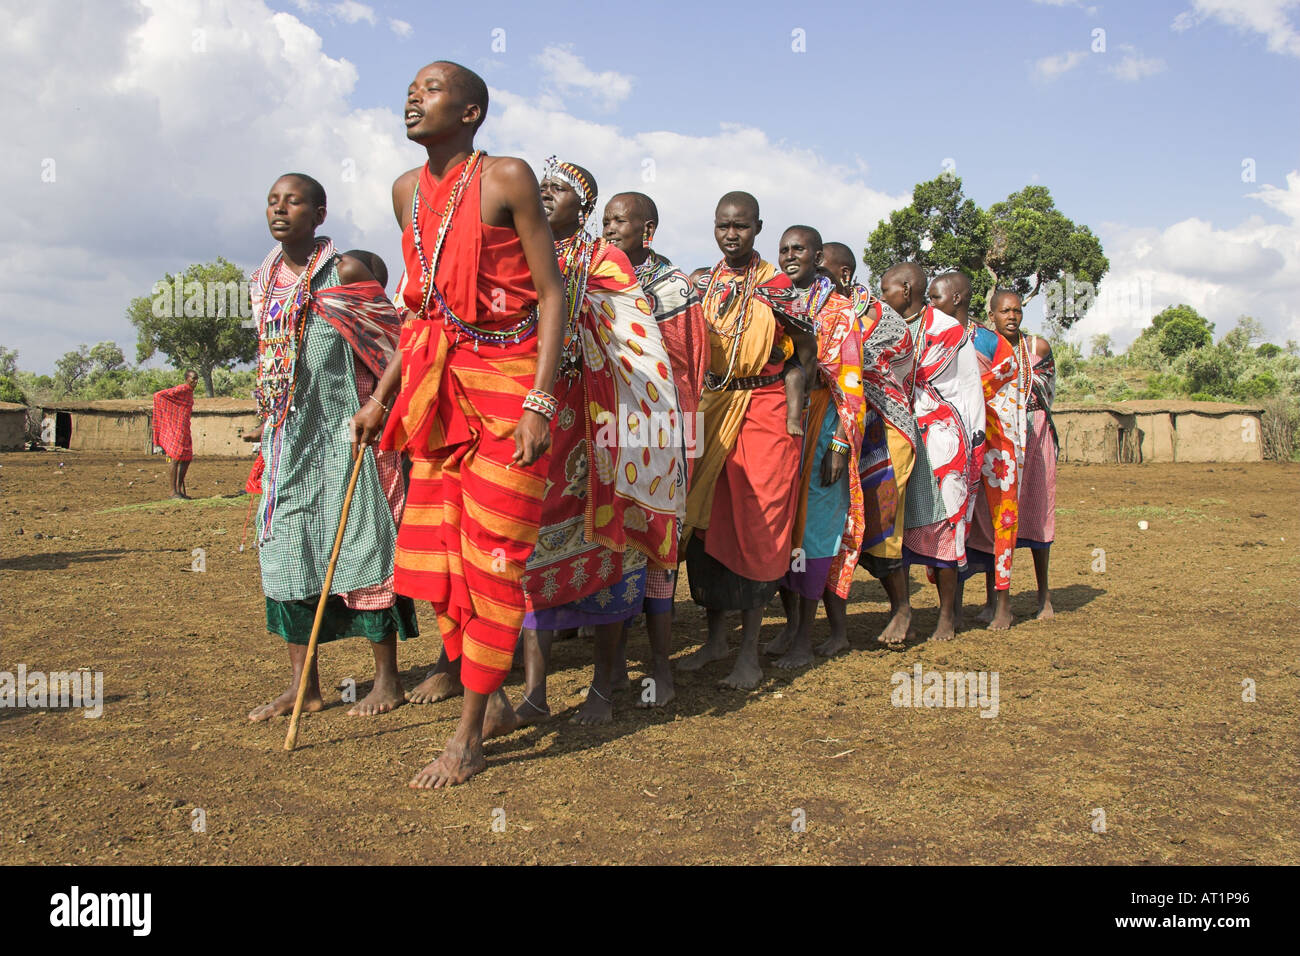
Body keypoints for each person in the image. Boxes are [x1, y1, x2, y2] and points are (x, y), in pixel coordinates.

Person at [350, 61, 566, 788]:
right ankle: (495, 701)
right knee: (442, 563)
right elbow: (422, 317)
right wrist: (382, 397)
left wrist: (540, 401)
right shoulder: (406, 191)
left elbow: (551, 294)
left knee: (497, 560)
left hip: (508, 389)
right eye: (409, 86)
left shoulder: (507, 177)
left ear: (471, 111)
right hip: (436, 395)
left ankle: (468, 737)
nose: (414, 95)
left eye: (432, 87)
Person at [507, 163, 680, 727]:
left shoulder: (606, 263)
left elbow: (639, 348)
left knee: (612, 554)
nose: (542, 198)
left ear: (581, 210)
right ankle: (535, 691)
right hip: (537, 425)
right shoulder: (517, 256)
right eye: (539, 190)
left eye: (554, 192)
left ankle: (605, 684)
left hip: (605, 431)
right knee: (533, 554)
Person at [247, 172, 417, 723]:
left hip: (351, 438)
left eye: (293, 202)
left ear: (319, 214)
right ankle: (305, 687)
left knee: (365, 548)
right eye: (273, 201)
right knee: (287, 554)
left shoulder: (345, 273)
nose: (280, 210)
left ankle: (387, 682)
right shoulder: (262, 282)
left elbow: (400, 348)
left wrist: (378, 408)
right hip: (290, 444)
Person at [679, 191, 813, 690]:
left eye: (740, 226)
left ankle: (749, 655)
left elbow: (805, 350)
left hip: (765, 410)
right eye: (722, 226)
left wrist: (795, 418)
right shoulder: (703, 284)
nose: (730, 234)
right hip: (712, 409)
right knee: (706, 525)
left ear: (757, 228)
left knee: (759, 527)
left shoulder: (777, 287)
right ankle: (715, 640)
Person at [601, 190, 709, 708]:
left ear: (649, 230)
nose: (610, 229)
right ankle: (615, 663)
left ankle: (661, 668)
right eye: (605, 220)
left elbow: (690, 367)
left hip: (665, 431)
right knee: (615, 539)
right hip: (608, 428)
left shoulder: (675, 288)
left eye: (621, 221)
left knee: (660, 544)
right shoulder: (594, 280)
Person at [763, 226, 865, 667]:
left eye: (798, 249)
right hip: (780, 425)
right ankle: (790, 628)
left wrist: (841, 443)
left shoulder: (840, 312)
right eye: (783, 249)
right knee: (784, 527)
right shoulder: (773, 302)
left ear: (817, 255)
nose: (789, 256)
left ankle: (807, 636)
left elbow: (851, 382)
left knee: (814, 530)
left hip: (823, 425)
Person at [822, 243, 918, 648]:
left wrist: (842, 356)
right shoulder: (816, 312)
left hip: (885, 430)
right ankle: (837, 631)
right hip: (832, 429)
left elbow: (883, 361)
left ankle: (902, 609)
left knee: (881, 523)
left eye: (822, 269)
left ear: (844, 274)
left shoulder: (880, 318)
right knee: (830, 527)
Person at [885, 262, 984, 644]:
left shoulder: (949, 332)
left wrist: (970, 442)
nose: (883, 297)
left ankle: (946, 615)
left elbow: (969, 391)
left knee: (945, 526)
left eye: (888, 289)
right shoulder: (887, 333)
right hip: (900, 438)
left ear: (907, 289)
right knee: (898, 527)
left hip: (942, 443)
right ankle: (903, 609)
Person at [944, 284, 1031, 630]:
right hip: (955, 442)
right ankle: (953, 607)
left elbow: (1006, 374)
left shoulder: (987, 341)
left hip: (997, 443)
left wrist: (965, 392)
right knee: (956, 518)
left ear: (958, 298)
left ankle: (1004, 604)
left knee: (1003, 519)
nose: (931, 303)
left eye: (936, 297)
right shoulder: (933, 336)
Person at [1015, 315, 1058, 620]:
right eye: (1004, 310)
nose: (1012, 316)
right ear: (992, 315)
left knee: (1039, 510)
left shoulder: (1037, 347)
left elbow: (1046, 394)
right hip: (1000, 434)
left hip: (1037, 432)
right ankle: (995, 598)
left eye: (1017, 310)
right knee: (996, 520)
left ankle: (1044, 597)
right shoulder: (987, 348)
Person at [153, 370, 199, 499]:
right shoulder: (181, 389)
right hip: (176, 429)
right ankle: (172, 491)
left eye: (197, 379)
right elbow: (158, 395)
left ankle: (179, 490)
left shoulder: (190, 393)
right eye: (193, 378)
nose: (195, 381)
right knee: (175, 458)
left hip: (185, 429)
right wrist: (171, 417)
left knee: (187, 458)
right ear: (186, 378)